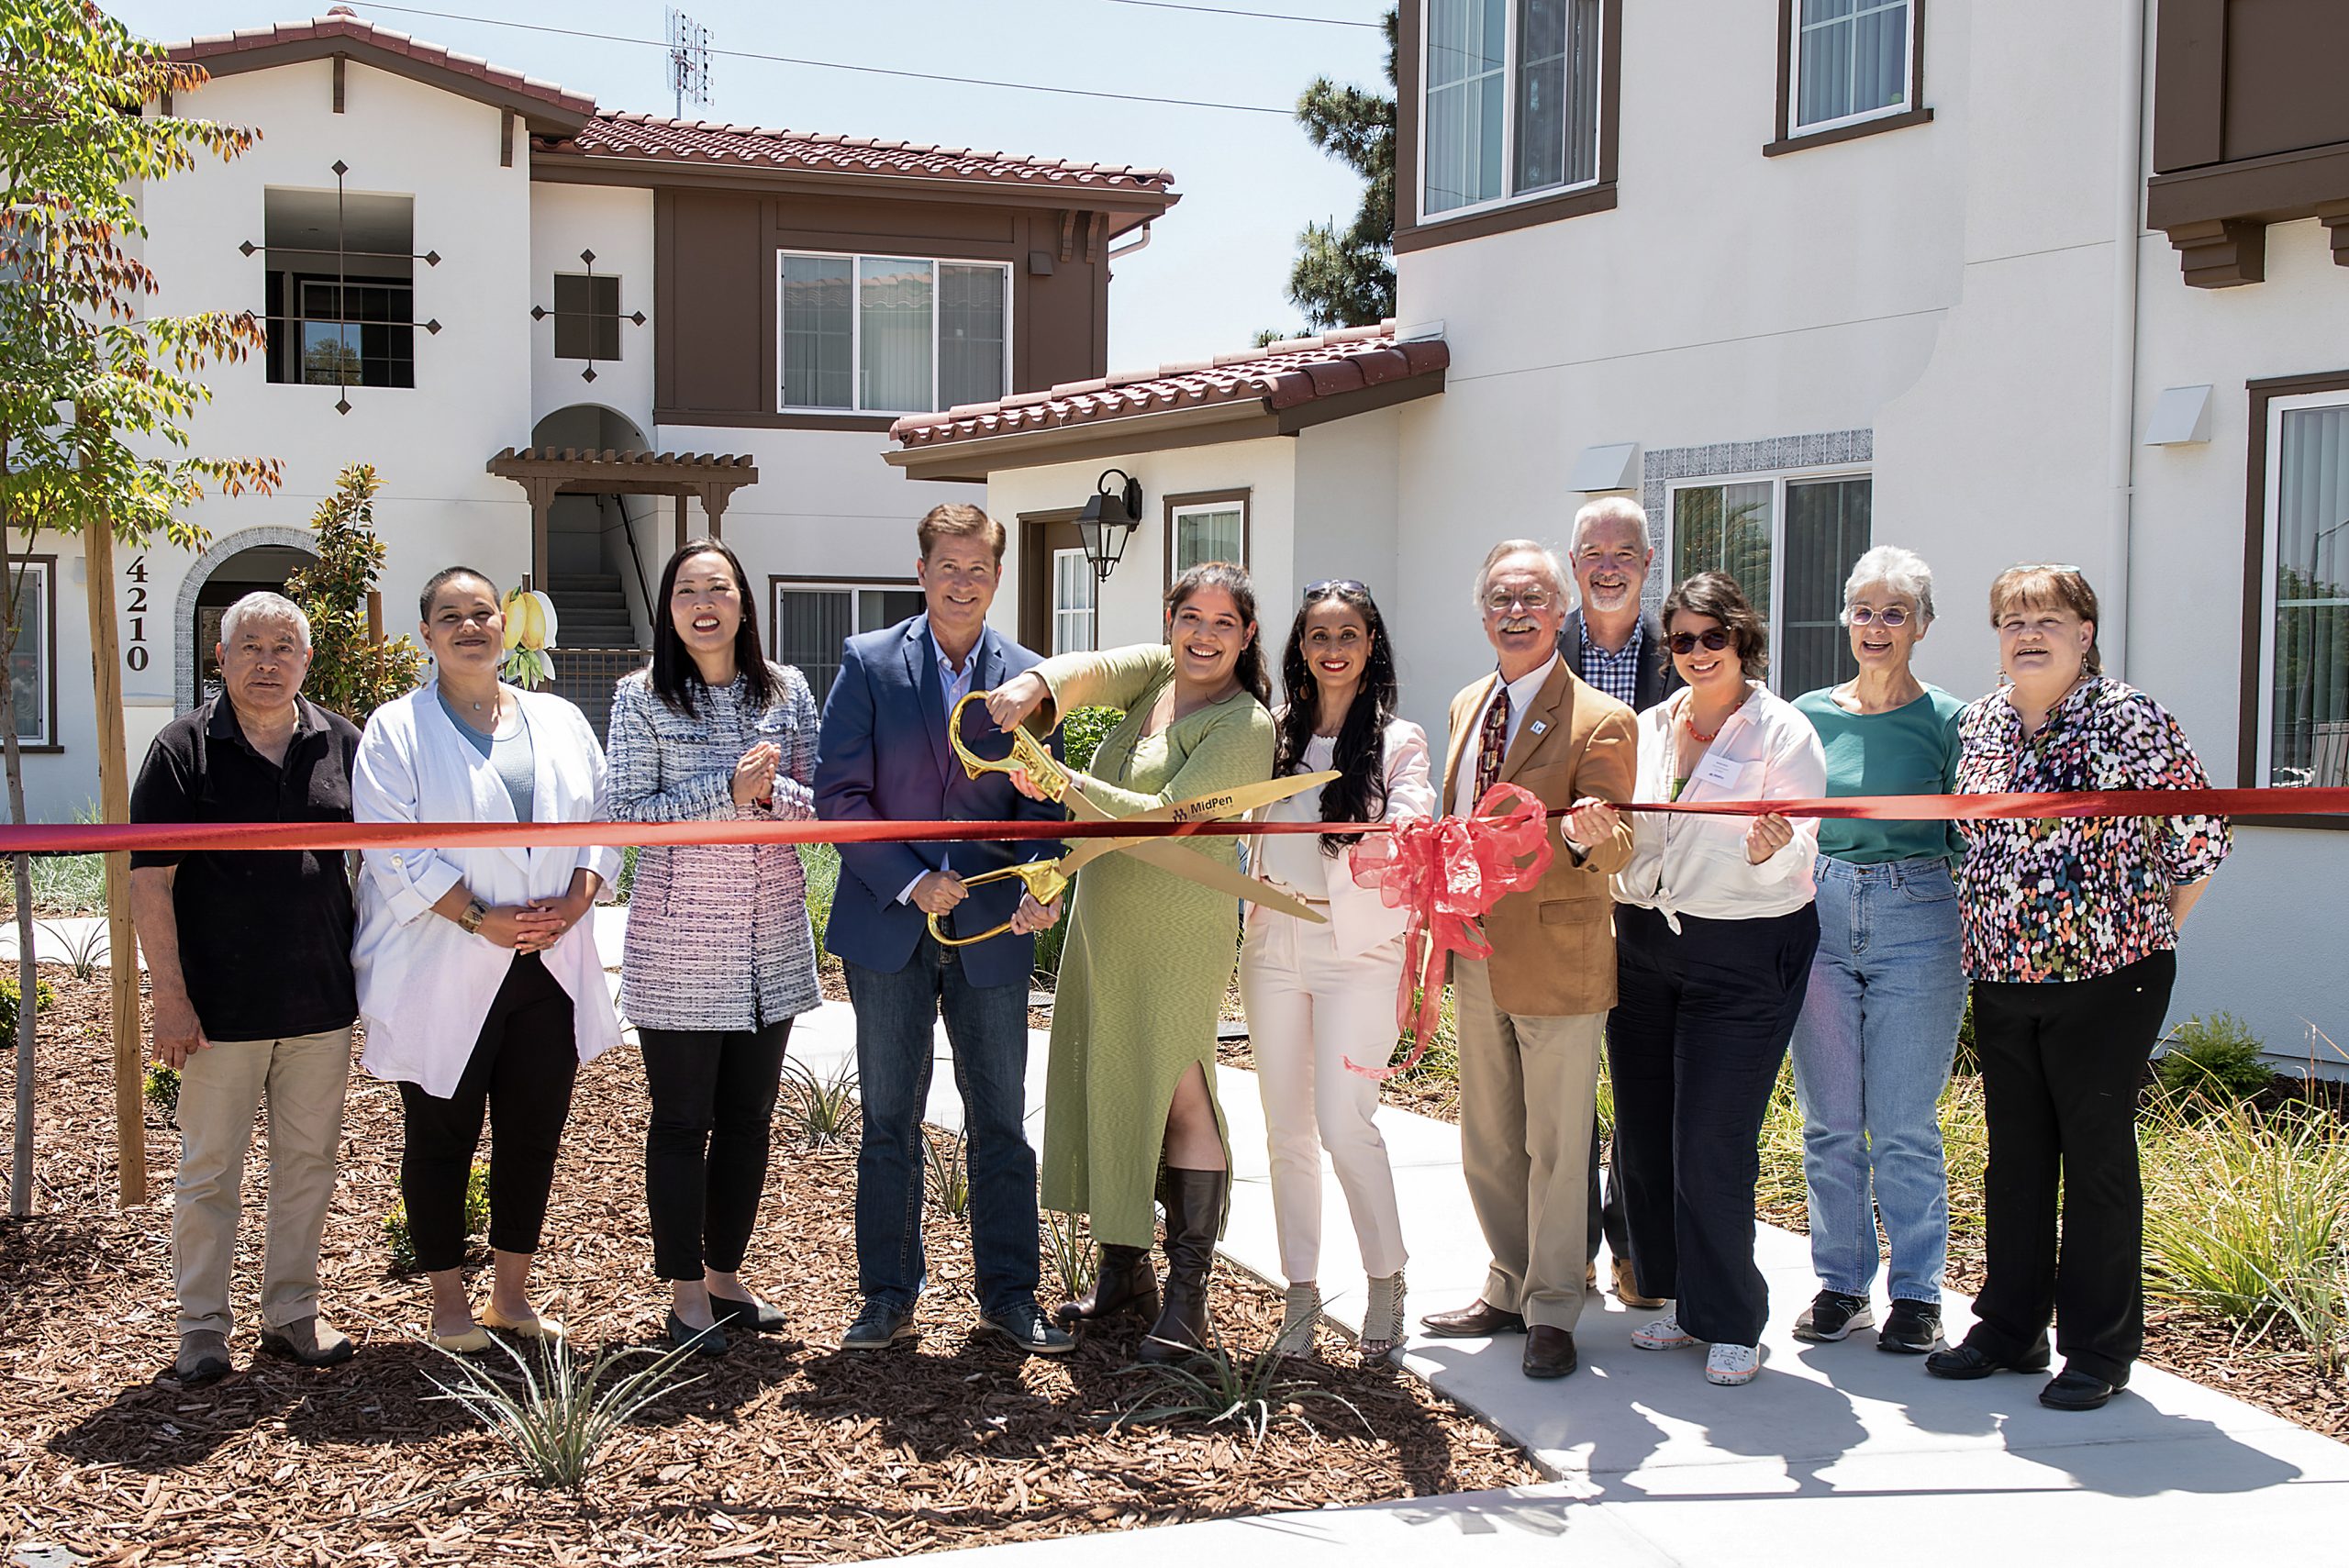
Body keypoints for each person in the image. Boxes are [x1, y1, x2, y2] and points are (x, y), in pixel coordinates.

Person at [1926, 564, 2229, 1410]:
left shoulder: (2128, 715)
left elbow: (2199, 835)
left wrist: (2145, 929)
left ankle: (2098, 1347)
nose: (2029, 634)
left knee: (2095, 1156)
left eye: (2050, 619)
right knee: (2015, 1153)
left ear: (2085, 633)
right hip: (2002, 972)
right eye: (2013, 620)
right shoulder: (1981, 722)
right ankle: (2009, 1327)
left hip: (2110, 976)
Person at [984, 562, 1277, 1363]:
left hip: (1180, 921)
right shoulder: (1155, 676)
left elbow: (1163, 819)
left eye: (1224, 622)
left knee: (1178, 1086)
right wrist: (1036, 685)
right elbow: (1093, 671)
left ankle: (1187, 1308)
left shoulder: (1244, 723)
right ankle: (1125, 1274)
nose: (1205, 635)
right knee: (1111, 1074)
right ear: (1171, 619)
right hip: (1107, 912)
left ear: (1248, 635)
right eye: (1191, 617)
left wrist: (1050, 774)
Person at [815, 505, 1070, 1357]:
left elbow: (1047, 806)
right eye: (948, 567)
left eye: (979, 570)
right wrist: (913, 880)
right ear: (921, 572)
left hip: (995, 929)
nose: (964, 582)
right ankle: (887, 1296)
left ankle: (1011, 1295)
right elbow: (840, 799)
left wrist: (1047, 882)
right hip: (890, 924)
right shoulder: (870, 661)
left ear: (999, 578)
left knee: (999, 1118)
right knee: (890, 1116)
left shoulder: (1033, 677)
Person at [351, 567, 621, 1351]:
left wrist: (576, 900)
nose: (470, 627)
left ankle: (511, 1295)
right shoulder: (395, 728)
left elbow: (602, 816)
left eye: (482, 613)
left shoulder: (561, 717)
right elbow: (389, 846)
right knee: (441, 1132)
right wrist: (480, 917)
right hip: (444, 962)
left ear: (507, 627)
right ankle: (446, 1302)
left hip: (548, 963)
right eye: (450, 616)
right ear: (427, 635)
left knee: (532, 1133)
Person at [1584, 570, 1827, 1388]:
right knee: (1649, 1139)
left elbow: (1800, 854)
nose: (1695, 652)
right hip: (1646, 946)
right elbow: (1626, 841)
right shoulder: (1648, 726)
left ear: (1743, 640)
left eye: (1711, 637)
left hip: (1747, 952)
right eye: (1681, 639)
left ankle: (1734, 1320)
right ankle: (1687, 1300)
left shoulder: (1784, 734)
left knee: (1710, 1145)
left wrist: (1771, 851)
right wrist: (1595, 838)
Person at [129, 592, 363, 1385]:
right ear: (220, 658)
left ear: (307, 658)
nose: (269, 660)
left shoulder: (342, 742)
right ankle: (201, 1327)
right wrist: (169, 996)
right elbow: (150, 882)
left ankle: (291, 1314)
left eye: (285, 646)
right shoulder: (180, 749)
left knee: (309, 1162)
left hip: (321, 1002)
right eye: (251, 645)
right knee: (209, 1170)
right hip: (218, 1010)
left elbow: (379, 864)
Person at [1418, 540, 1637, 1382]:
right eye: (1501, 599)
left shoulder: (1599, 717)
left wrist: (1588, 835)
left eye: (1534, 599)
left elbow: (1615, 838)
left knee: (1555, 1141)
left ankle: (1554, 1305)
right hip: (1474, 948)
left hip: (1558, 956)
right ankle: (1506, 1285)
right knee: (1489, 1137)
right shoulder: (1468, 703)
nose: (1516, 612)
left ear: (1560, 614)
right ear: (1483, 613)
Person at [609, 539, 821, 1356]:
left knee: (749, 1121)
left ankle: (728, 1274)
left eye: (720, 588)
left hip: (770, 943)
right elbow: (625, 815)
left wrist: (771, 795)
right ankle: (684, 1290)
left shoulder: (787, 690)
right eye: (688, 590)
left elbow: (817, 806)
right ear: (668, 608)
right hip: (679, 945)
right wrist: (726, 793)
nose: (705, 603)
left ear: (743, 603)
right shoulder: (641, 697)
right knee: (681, 1119)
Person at [1240, 580, 1435, 1362]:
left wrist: (1396, 829)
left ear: (1369, 646)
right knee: (1286, 1129)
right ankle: (1300, 1290)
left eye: (1347, 635)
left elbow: (1415, 814)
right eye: (1317, 636)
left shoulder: (1398, 739)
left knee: (1344, 1122)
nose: (1331, 650)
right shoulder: (1273, 732)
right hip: (1274, 943)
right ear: (1300, 649)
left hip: (1360, 950)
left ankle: (1386, 1279)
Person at [1786, 546, 1968, 1354]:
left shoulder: (1953, 720)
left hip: (1918, 914)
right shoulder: (1807, 714)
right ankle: (1842, 1281)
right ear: (1845, 620)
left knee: (1901, 1121)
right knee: (1829, 1120)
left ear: (1922, 625)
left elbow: (1977, 830)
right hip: (1819, 913)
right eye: (1864, 609)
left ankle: (1919, 1292)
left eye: (1895, 612)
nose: (1876, 625)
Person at [1555, 495, 1678, 1312]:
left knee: (1640, 1083)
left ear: (1647, 561)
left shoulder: (1690, 649)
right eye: (1592, 552)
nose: (1607, 565)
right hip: (1560, 900)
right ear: (1574, 567)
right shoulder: (1538, 649)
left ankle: (1634, 1245)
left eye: (1623, 552)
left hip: (1651, 899)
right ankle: (1567, 1257)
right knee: (1566, 1091)